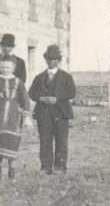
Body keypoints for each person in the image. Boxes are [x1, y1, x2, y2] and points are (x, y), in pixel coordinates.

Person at [29, 44, 75, 175]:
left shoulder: (66, 77)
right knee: (45, 140)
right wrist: (41, 98)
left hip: (61, 113)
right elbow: (31, 93)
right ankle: (45, 167)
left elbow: (72, 92)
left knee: (61, 141)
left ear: (58, 60)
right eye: (49, 59)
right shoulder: (39, 77)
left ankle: (60, 167)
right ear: (46, 60)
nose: (52, 62)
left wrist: (57, 98)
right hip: (43, 113)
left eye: (54, 59)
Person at [0, 59, 31, 181]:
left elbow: (25, 99)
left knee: (12, 141)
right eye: (3, 67)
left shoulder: (18, 82)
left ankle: (11, 174)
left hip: (14, 115)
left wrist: (26, 117)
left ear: (13, 68)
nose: (5, 70)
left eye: (8, 67)